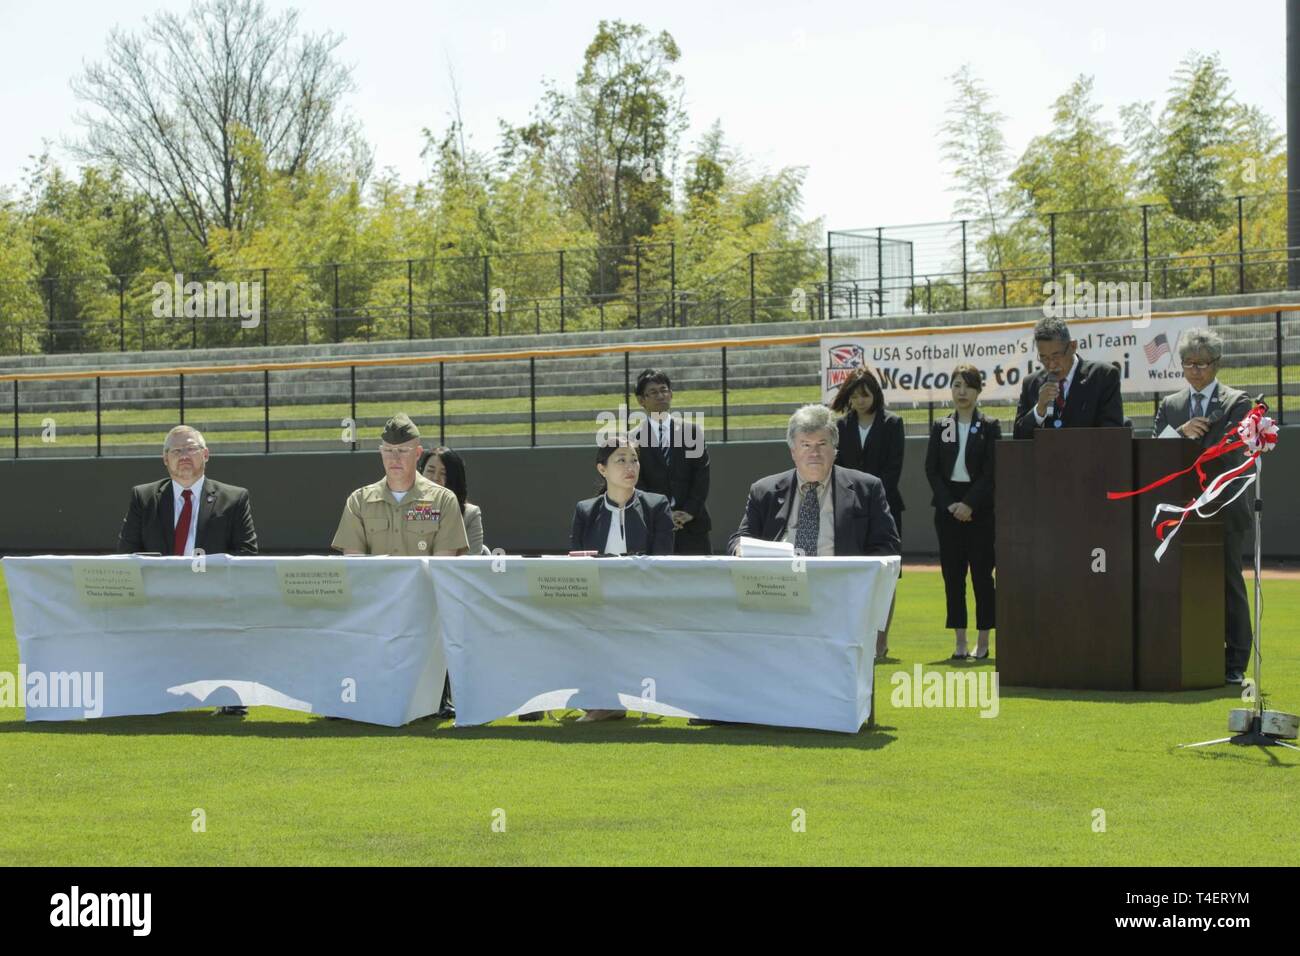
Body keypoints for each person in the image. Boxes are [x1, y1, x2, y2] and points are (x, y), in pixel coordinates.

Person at [117, 425, 258, 715]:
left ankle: (229, 693)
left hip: (213, 594)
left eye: (191, 449)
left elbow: (246, 555)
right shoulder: (144, 498)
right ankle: (146, 692)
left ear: (206, 455)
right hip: (157, 594)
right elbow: (127, 554)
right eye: (176, 451)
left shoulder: (234, 498)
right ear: (164, 459)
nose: (184, 456)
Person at [1152, 328, 1254, 685]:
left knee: (1228, 582)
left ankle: (1236, 660)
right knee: (1180, 583)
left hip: (1224, 508)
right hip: (1182, 510)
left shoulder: (1238, 401)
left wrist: (1200, 442)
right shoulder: (1170, 406)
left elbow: (1233, 451)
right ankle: (1190, 652)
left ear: (1216, 364)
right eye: (1188, 364)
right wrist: (1181, 432)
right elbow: (1157, 454)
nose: (1195, 371)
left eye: (1202, 364)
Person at [567, 437, 674, 723]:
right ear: (602, 469)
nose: (630, 467)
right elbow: (578, 562)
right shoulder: (585, 510)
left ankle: (619, 699)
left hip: (644, 598)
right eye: (621, 460)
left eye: (634, 459)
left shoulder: (656, 505)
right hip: (597, 599)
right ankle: (603, 700)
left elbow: (662, 562)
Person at [727, 404, 900, 557]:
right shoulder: (764, 491)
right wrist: (740, 549)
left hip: (839, 586)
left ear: (834, 450)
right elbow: (741, 538)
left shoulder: (867, 489)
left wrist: (855, 575)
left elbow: (888, 545)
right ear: (793, 451)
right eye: (806, 445)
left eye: (822, 444)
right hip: (782, 585)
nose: (814, 453)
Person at [925, 364, 1000, 660]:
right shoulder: (941, 426)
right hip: (948, 510)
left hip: (980, 509)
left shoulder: (990, 426)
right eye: (956, 385)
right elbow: (931, 470)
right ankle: (959, 642)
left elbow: (991, 471)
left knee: (982, 576)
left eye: (967, 385)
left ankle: (983, 642)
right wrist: (951, 504)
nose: (961, 391)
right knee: (953, 577)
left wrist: (969, 503)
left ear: (978, 390)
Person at [831, 366, 905, 657]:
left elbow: (892, 468)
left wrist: (869, 500)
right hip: (846, 512)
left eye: (866, 394)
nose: (861, 401)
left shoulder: (892, 424)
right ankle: (852, 638)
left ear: (876, 394)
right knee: (849, 577)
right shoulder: (840, 427)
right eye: (855, 395)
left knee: (885, 577)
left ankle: (880, 642)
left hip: (884, 510)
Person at [331, 414, 468, 557]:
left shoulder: (443, 501)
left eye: (403, 451)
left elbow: (442, 567)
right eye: (389, 450)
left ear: (417, 453)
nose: (395, 458)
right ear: (381, 452)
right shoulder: (359, 502)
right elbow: (355, 566)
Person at [630, 368, 713, 554]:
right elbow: (637, 483)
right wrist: (664, 514)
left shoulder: (692, 432)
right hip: (654, 529)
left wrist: (689, 511)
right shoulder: (632, 439)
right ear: (641, 400)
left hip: (693, 526)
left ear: (671, 394)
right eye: (653, 392)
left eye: (664, 389)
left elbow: (701, 475)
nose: (660, 395)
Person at [1013, 316, 1126, 438]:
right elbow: (1018, 439)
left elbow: (1112, 434)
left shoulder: (1103, 376)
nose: (1051, 364)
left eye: (1056, 356)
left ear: (1073, 346)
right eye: (1044, 358)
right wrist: (1039, 409)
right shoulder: (1031, 384)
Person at [421, 447, 485, 554]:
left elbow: (471, 563)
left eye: (444, 473)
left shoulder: (470, 515)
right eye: (430, 471)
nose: (435, 478)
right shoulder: (408, 508)